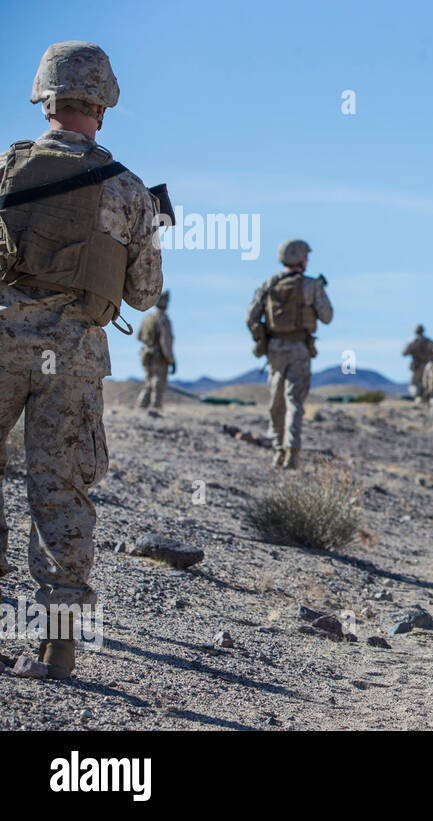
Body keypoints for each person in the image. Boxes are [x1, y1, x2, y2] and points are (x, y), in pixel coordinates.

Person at [0, 41, 163, 678]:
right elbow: (144, 295)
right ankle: (58, 643)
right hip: (72, 356)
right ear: (103, 103)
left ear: (44, 98)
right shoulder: (127, 191)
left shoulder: (6, 173)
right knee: (60, 491)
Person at [245, 238, 332, 469]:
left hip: (274, 350)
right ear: (301, 259)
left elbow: (250, 318)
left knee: (276, 402)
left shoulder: (268, 284)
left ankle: (277, 450)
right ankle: (292, 452)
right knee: (294, 402)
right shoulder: (312, 286)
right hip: (300, 350)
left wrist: (261, 337)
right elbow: (327, 316)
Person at [136, 289, 174, 409]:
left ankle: (141, 408)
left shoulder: (148, 318)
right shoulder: (163, 320)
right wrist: (170, 359)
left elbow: (139, 336)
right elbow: (165, 342)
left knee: (148, 383)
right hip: (159, 357)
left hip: (147, 355)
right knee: (158, 385)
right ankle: (155, 410)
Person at [403, 324, 433, 404]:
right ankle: (424, 397)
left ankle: (419, 397)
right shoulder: (429, 341)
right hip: (428, 365)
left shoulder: (412, 342)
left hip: (417, 365)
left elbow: (404, 353)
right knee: (427, 382)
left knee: (414, 383)